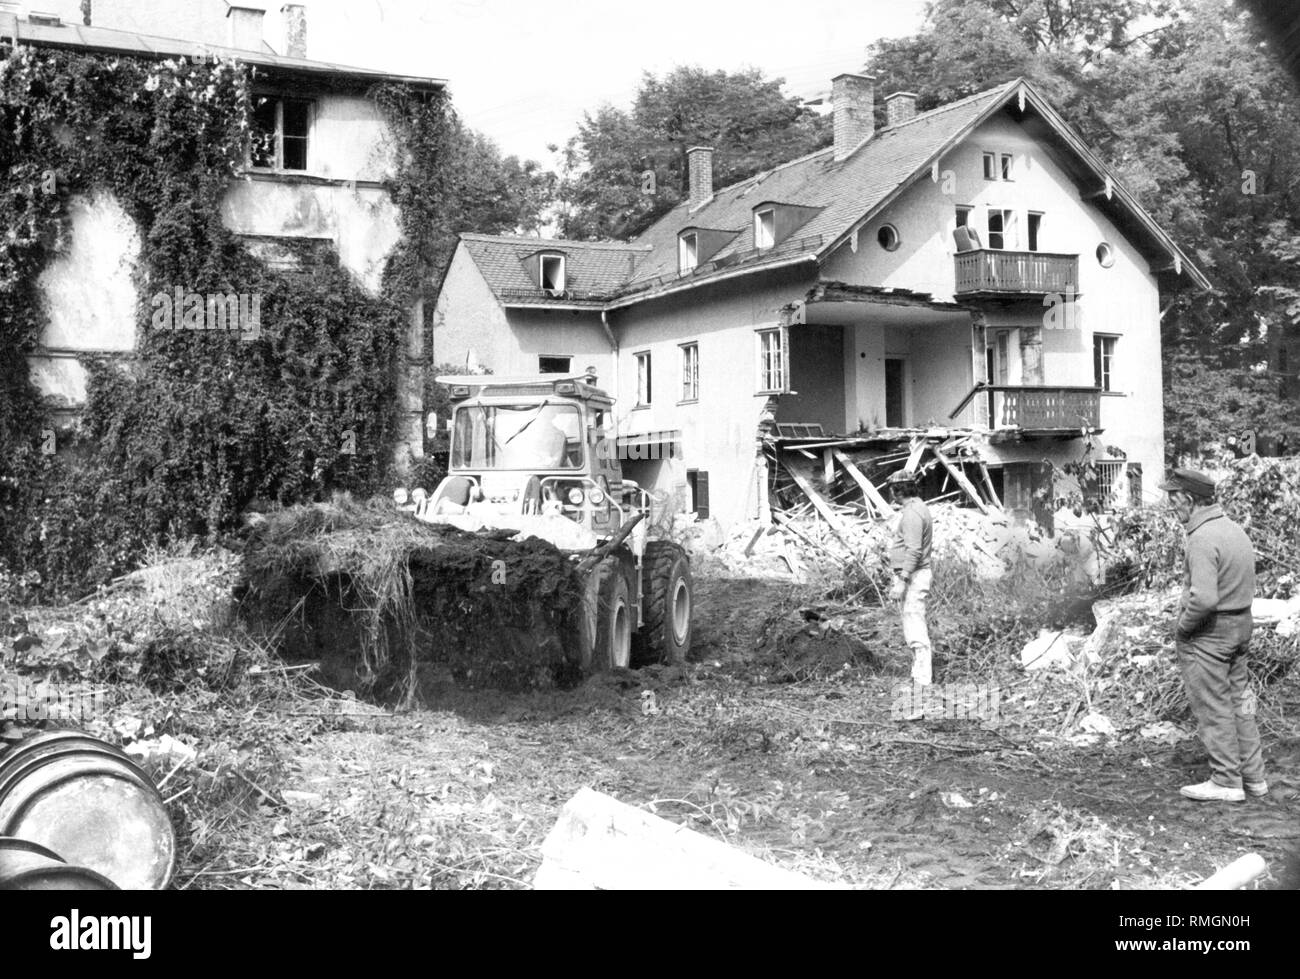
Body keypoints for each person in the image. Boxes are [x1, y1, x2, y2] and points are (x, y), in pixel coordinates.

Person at [1160, 468, 1266, 803]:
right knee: (1241, 705)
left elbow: (1204, 598)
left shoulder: (1202, 537)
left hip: (1211, 634)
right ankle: (1254, 778)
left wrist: (1183, 628)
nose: (1170, 506)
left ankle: (1225, 781)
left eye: (1173, 499)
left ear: (1189, 500)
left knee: (1214, 708)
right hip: (1241, 627)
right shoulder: (1233, 530)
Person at [887, 469, 934, 686]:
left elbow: (914, 550)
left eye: (892, 489)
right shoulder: (915, 508)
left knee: (914, 623)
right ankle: (918, 675)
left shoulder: (913, 513)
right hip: (913, 575)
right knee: (911, 622)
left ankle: (923, 680)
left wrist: (902, 580)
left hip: (913, 576)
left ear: (898, 491)